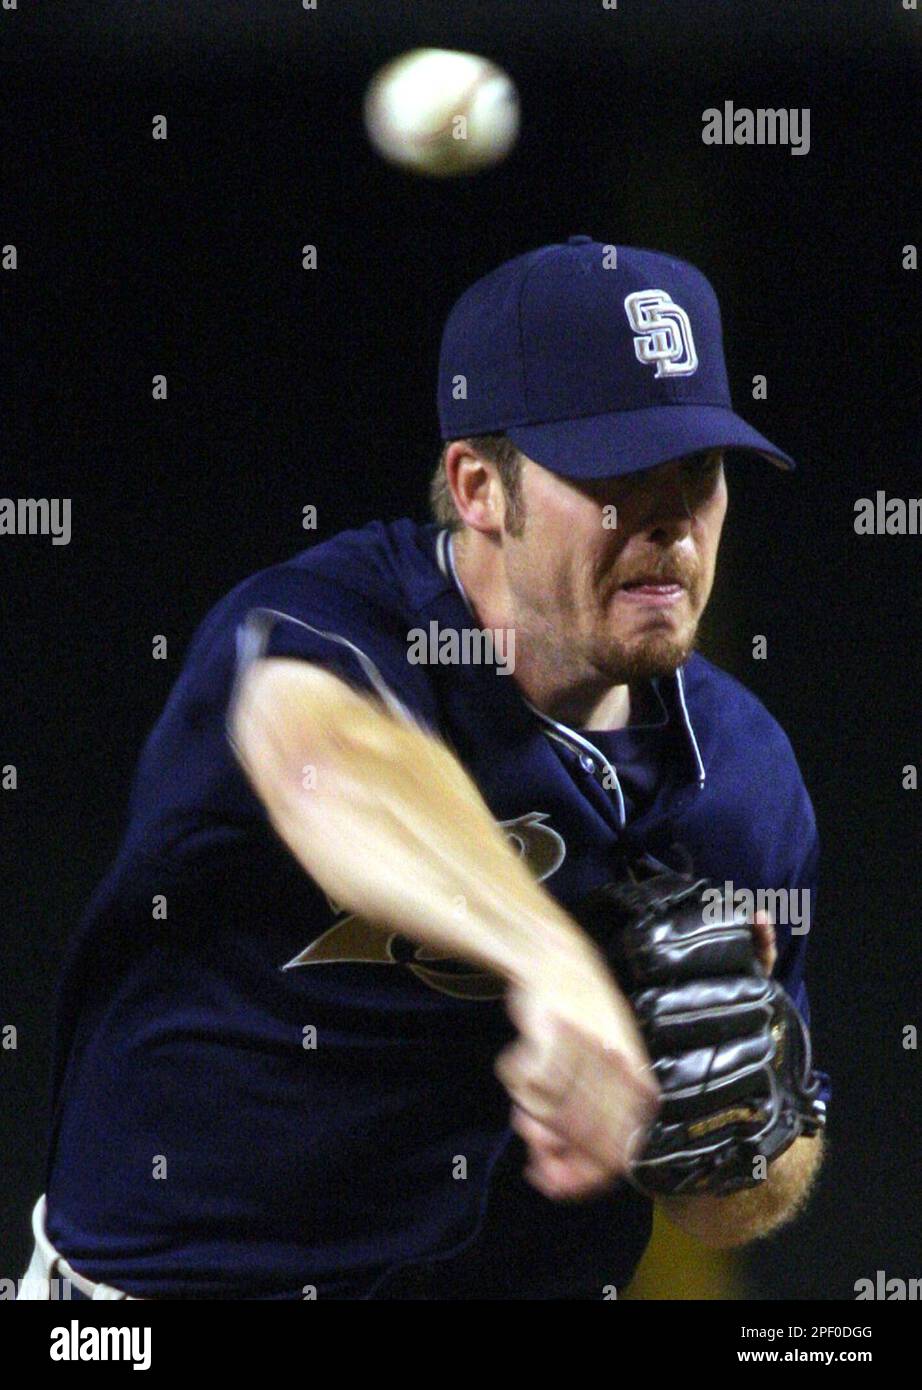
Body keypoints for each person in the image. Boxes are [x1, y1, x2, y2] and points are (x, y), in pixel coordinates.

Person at [20, 237, 828, 1301]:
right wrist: (553, 963)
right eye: (617, 474)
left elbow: (746, 1196)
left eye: (700, 470)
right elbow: (329, 762)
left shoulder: (738, 775)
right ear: (480, 485)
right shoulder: (328, 624)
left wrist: (739, 1124)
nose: (673, 519)